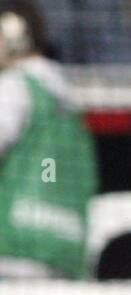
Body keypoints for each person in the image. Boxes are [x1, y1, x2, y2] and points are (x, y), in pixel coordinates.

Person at [0, 1, 98, 279]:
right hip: (64, 253)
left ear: (13, 35)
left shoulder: (12, 87)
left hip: (10, 248)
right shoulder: (68, 97)